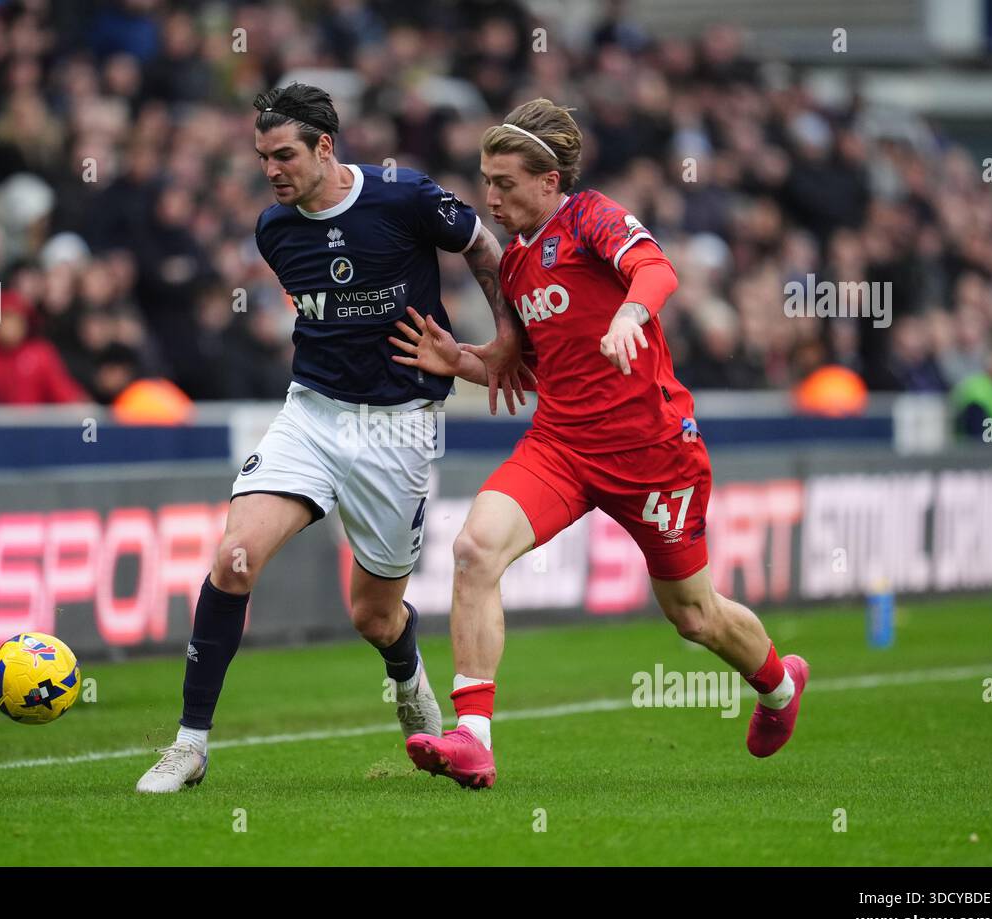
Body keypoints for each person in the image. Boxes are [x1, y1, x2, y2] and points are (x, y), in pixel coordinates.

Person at [390, 99, 809, 789]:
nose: (490, 198)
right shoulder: (520, 264)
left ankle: (779, 687)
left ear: (549, 178)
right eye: (485, 182)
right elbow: (528, 371)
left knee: (695, 617)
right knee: (473, 550)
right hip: (561, 447)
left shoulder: (591, 217)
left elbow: (658, 271)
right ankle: (472, 736)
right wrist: (463, 361)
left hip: (653, 453)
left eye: (504, 183)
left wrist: (629, 316)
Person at [136, 82, 529, 793]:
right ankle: (190, 744)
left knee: (374, 616)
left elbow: (483, 246)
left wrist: (504, 339)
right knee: (234, 559)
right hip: (311, 414)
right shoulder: (274, 230)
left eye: (284, 154)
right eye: (262, 157)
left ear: (324, 146)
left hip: (398, 428)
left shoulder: (404, 196)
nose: (272, 170)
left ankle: (407, 677)